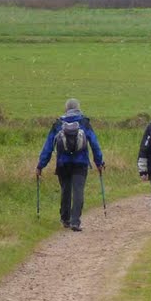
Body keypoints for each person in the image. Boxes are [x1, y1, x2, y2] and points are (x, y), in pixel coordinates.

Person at [36, 98, 105, 232]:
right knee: (78, 191)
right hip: (81, 163)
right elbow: (94, 144)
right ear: (78, 108)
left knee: (65, 190)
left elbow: (48, 146)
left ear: (66, 109)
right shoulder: (84, 122)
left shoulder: (58, 124)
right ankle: (75, 222)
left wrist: (40, 165)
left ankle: (65, 219)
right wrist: (99, 162)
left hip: (63, 163)